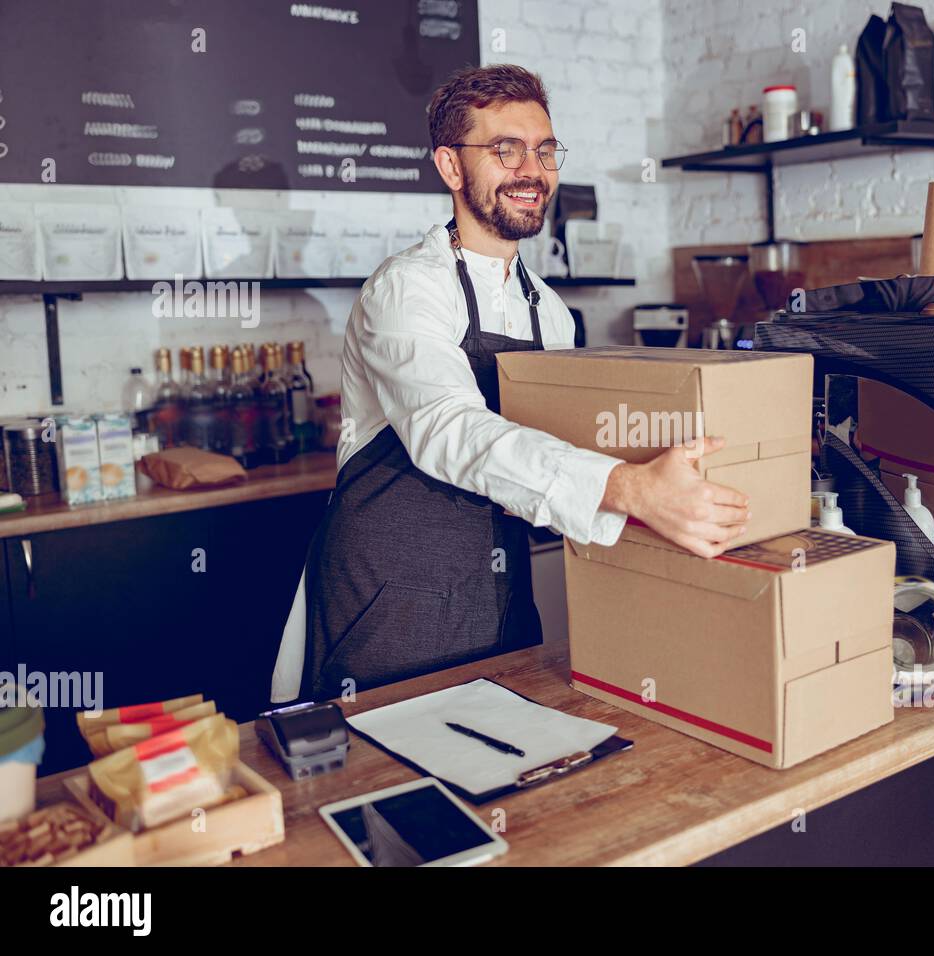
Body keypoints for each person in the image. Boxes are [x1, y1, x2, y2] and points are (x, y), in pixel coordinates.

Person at [271, 65, 749, 702]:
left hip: (499, 594)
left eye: (545, 150)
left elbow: (561, 448)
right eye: (506, 149)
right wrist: (628, 488)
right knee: (388, 789)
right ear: (449, 166)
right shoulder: (406, 289)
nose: (533, 170)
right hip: (388, 603)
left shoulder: (549, 313)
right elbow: (449, 430)